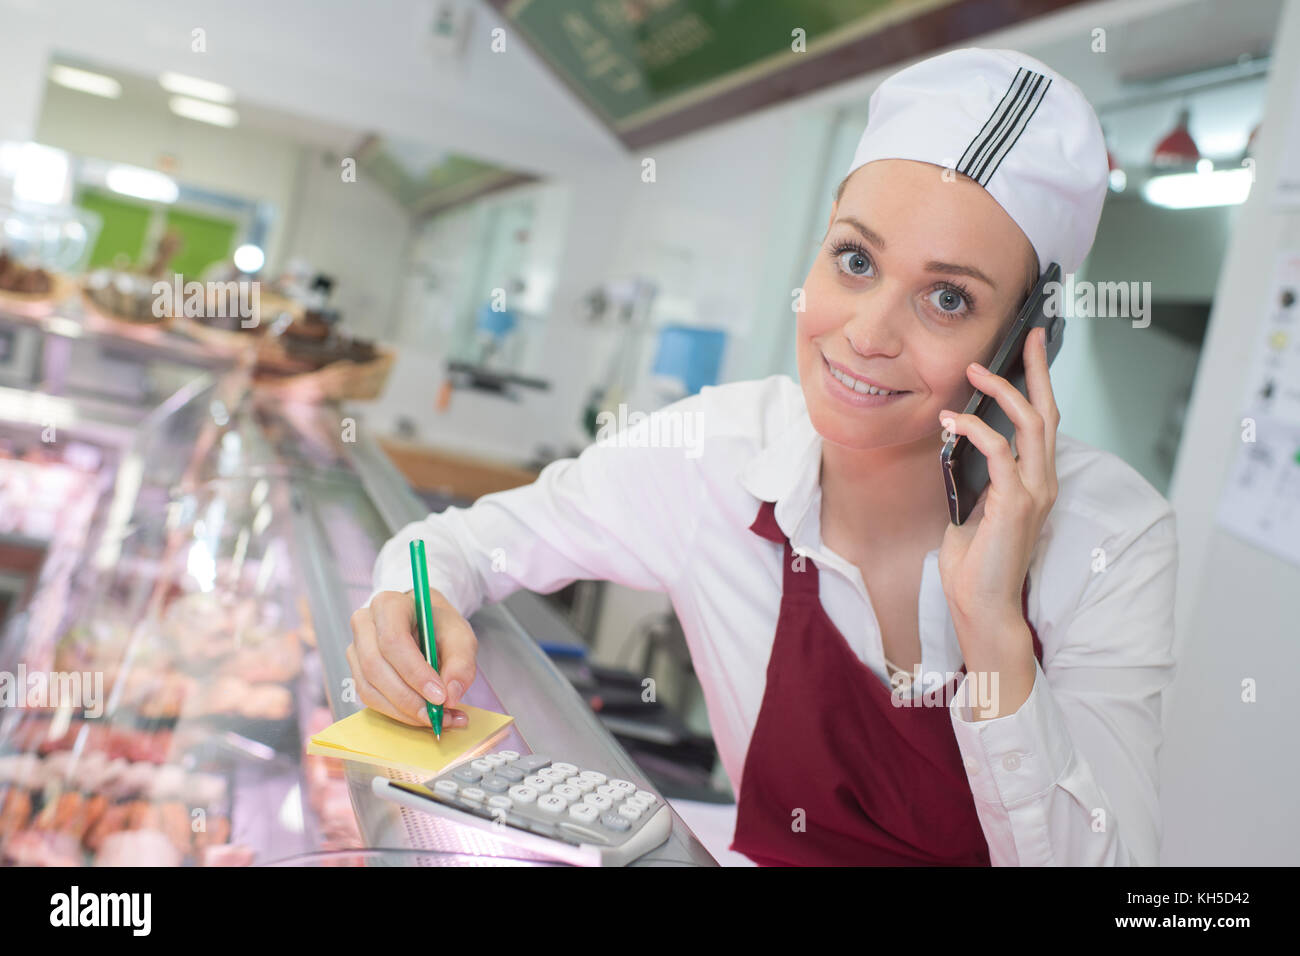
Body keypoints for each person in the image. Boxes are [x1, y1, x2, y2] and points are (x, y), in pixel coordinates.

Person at [347, 48, 1178, 866]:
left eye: (948, 298)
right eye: (855, 260)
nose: (866, 333)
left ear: (1025, 346)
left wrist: (993, 625)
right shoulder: (718, 452)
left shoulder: (1111, 538)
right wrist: (402, 605)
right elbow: (455, 546)